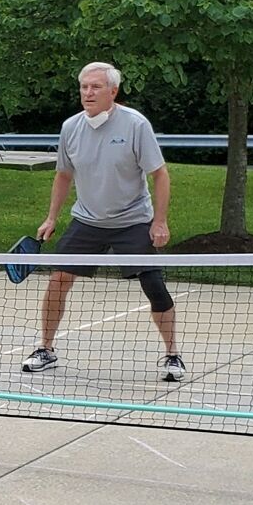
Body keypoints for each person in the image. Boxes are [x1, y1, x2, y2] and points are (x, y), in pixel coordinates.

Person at [23, 62, 184, 382]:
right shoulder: (71, 127)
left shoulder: (135, 125)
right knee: (58, 280)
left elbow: (160, 174)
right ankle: (46, 348)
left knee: (154, 286)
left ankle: (172, 354)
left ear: (113, 91)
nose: (88, 92)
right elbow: (64, 175)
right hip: (88, 219)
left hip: (133, 219)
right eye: (84, 87)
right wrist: (52, 216)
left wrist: (160, 222)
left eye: (96, 87)